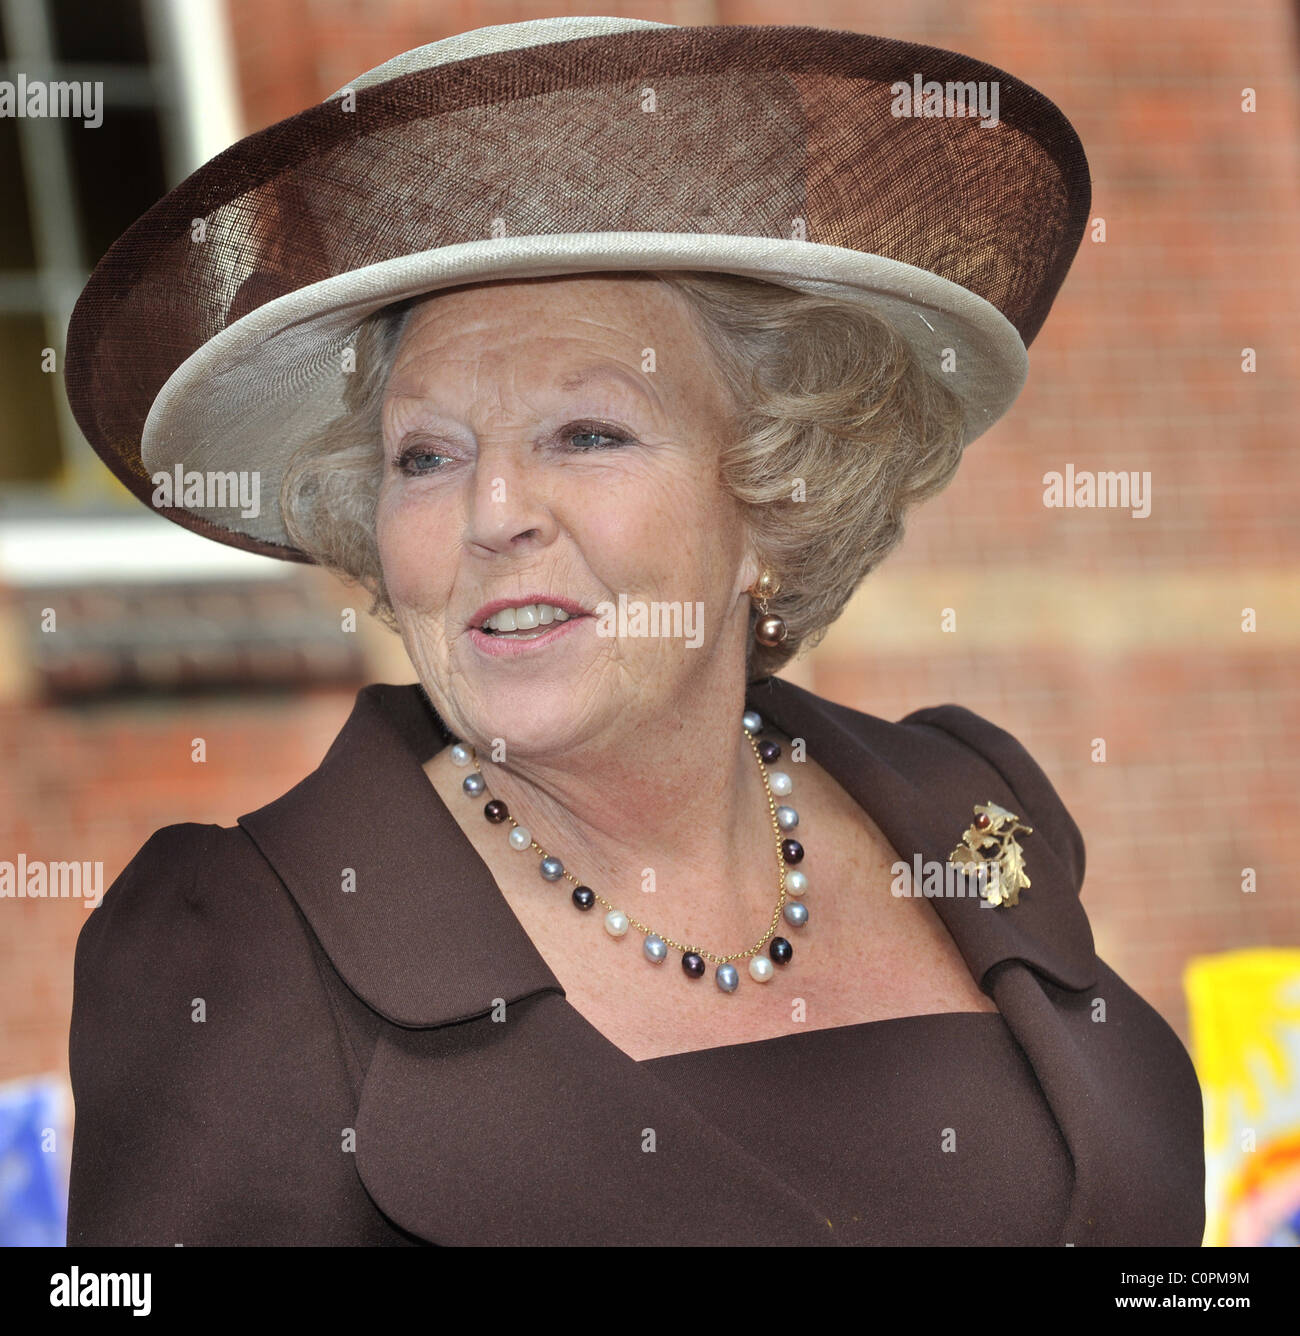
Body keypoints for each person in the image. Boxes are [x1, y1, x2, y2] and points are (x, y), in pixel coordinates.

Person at [62, 16, 1204, 1246]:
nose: (494, 513)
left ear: (775, 490)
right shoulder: (236, 943)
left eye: (586, 434)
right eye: (428, 455)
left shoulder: (966, 804)